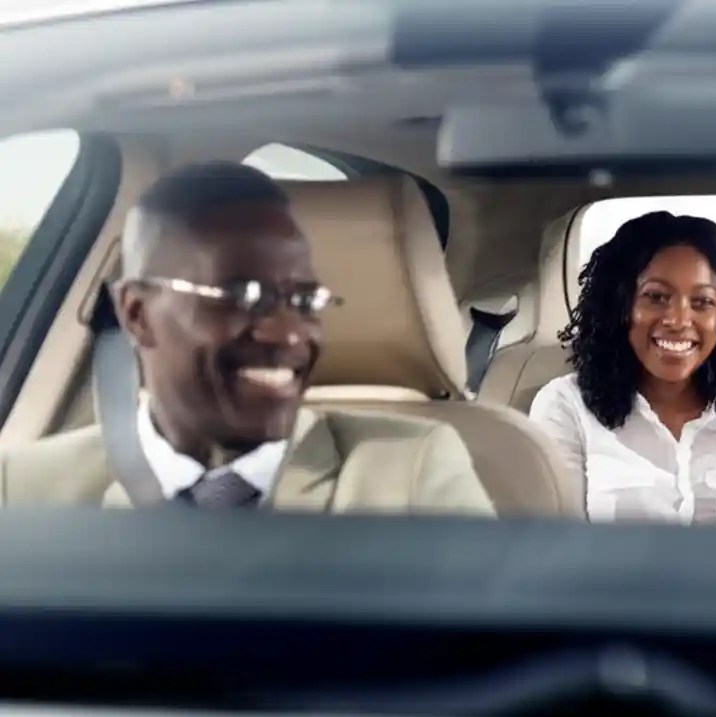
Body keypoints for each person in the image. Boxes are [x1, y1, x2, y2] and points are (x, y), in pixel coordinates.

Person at [0, 162, 495, 514]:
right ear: (137, 313)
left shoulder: (411, 470)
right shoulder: (25, 488)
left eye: (304, 301)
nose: (289, 334)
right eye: (243, 294)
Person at [529, 211, 716, 577]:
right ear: (622, 307)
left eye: (702, 303)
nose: (678, 319)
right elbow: (555, 554)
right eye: (656, 297)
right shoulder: (564, 405)